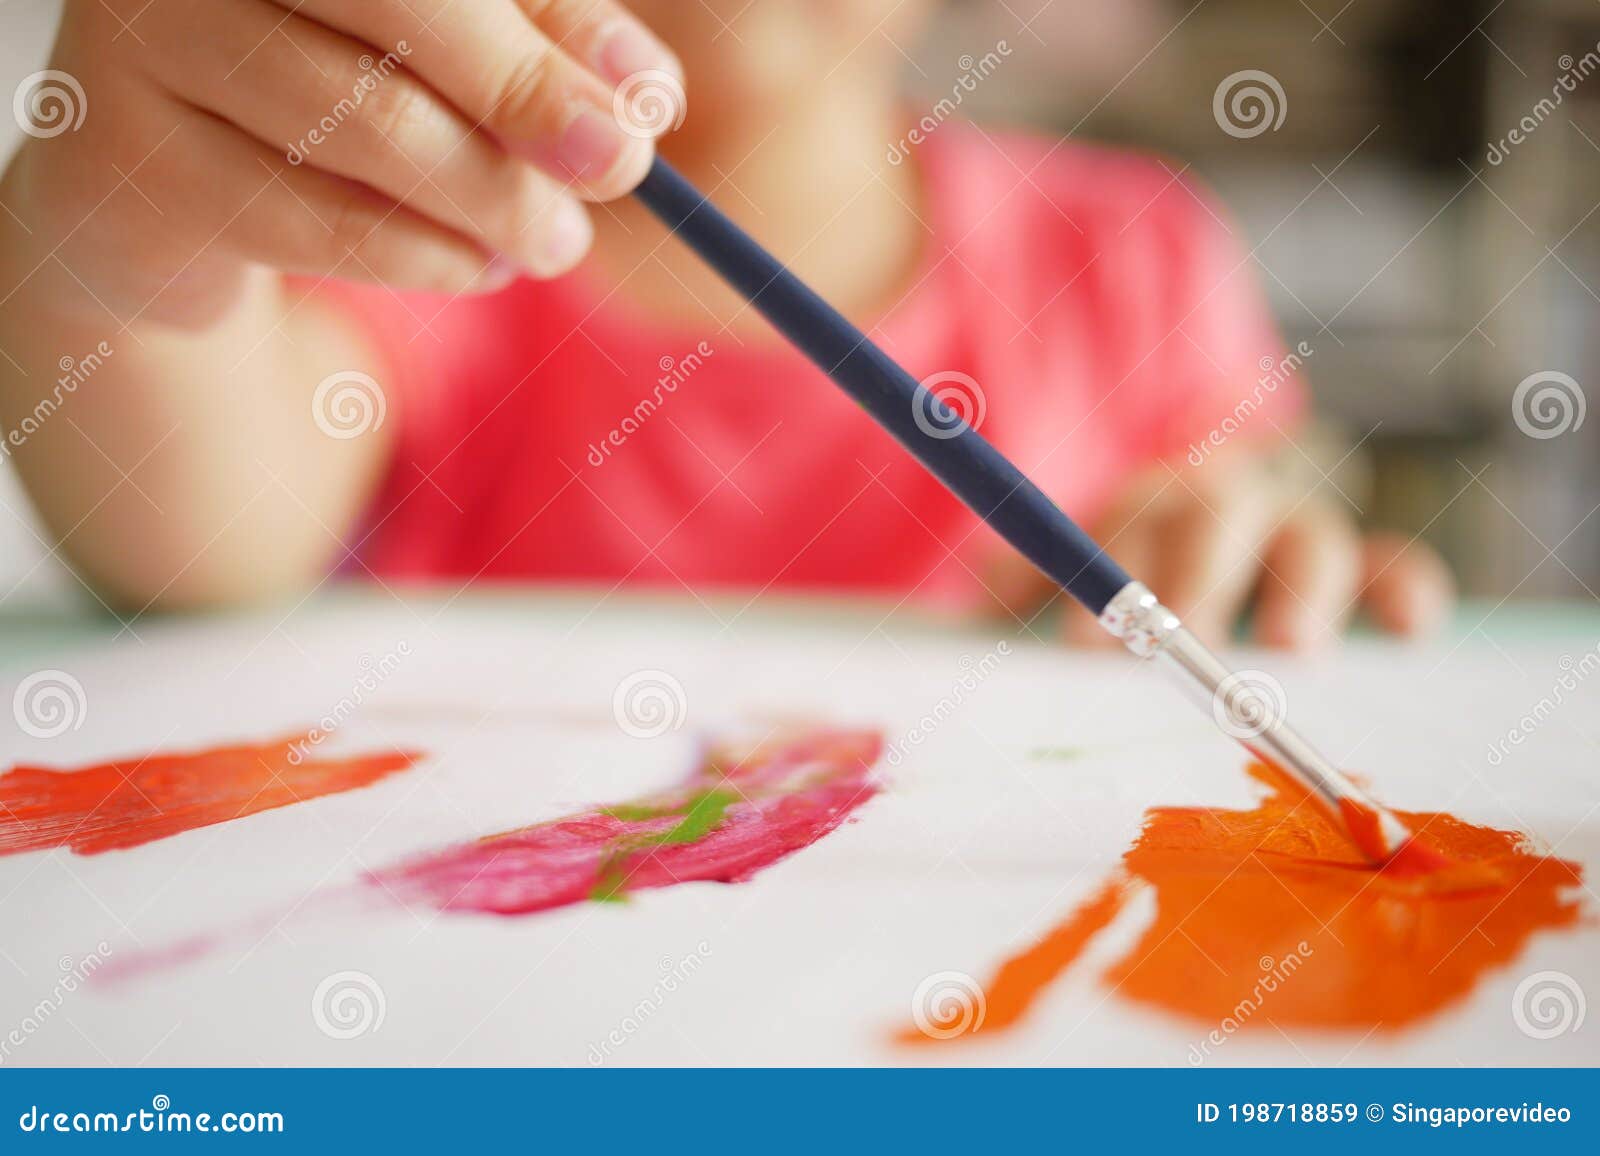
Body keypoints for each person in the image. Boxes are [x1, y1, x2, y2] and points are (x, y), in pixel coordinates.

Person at [0, 0, 1452, 647]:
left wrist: (1255, 537)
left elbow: (1276, 486)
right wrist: (107, 243)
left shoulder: (1130, 247)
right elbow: (187, 529)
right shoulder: (420, 242)